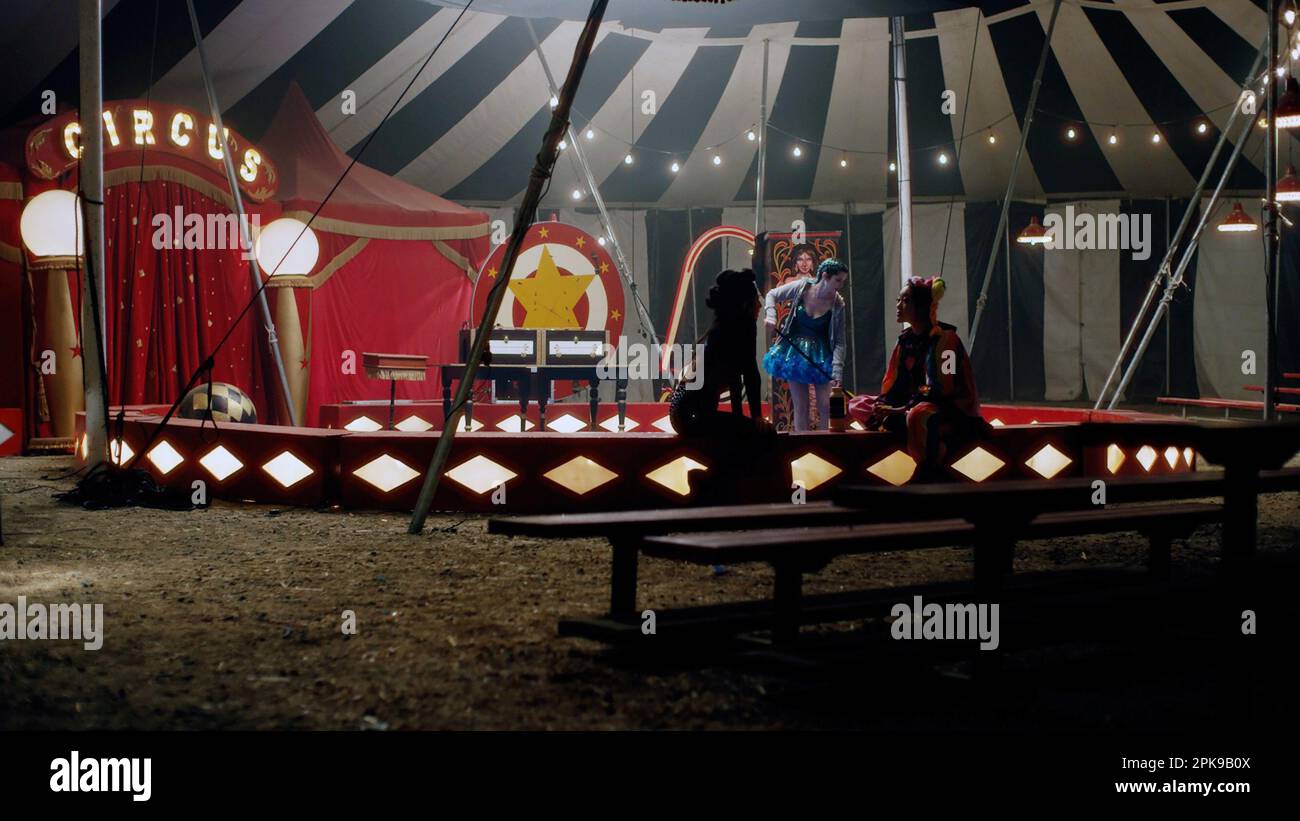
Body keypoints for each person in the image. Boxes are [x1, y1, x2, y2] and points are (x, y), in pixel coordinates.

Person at [849, 276, 987, 476]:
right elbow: (893, 382)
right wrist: (884, 404)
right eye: (898, 300)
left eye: (905, 301)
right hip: (909, 403)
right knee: (857, 404)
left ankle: (929, 468)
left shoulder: (946, 340)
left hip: (946, 407)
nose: (898, 305)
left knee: (918, 414)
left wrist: (901, 409)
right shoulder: (905, 341)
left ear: (922, 307)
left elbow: (943, 389)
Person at [669, 268, 771, 438]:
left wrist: (751, 419)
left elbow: (743, 376)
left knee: (751, 434)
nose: (760, 306)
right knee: (761, 436)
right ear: (745, 304)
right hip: (692, 414)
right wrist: (755, 419)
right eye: (756, 300)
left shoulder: (725, 327)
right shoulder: (734, 330)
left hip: (687, 413)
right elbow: (747, 375)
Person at [762, 257, 848, 431]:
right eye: (837, 280)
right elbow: (772, 294)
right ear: (825, 276)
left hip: (821, 356)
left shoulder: (838, 304)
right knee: (801, 407)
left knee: (825, 407)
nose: (840, 285)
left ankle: (826, 448)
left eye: (843, 281)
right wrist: (771, 316)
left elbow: (840, 341)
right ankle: (803, 450)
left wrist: (837, 371)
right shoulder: (802, 286)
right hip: (794, 353)